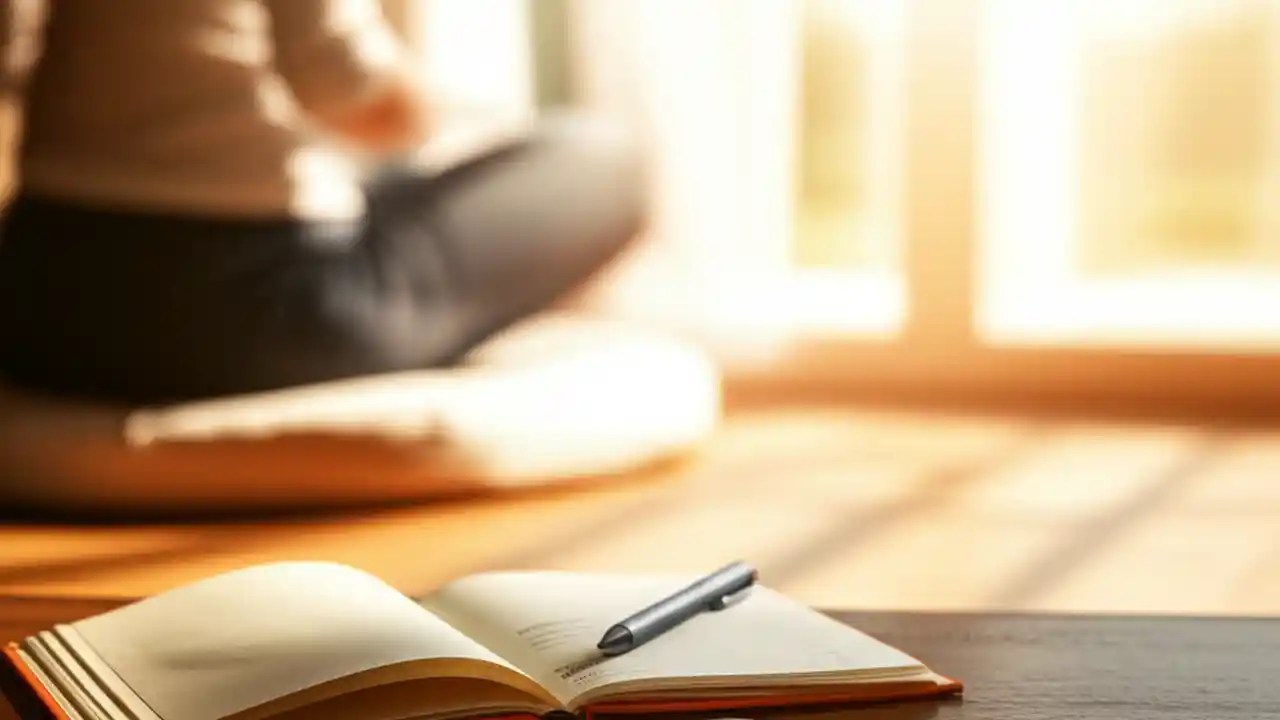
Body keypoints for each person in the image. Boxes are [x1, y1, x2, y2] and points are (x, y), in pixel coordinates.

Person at [0, 0, 643, 404]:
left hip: (41, 297)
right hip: (241, 311)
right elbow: (362, 102)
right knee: (603, 155)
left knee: (383, 195)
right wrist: (457, 119)